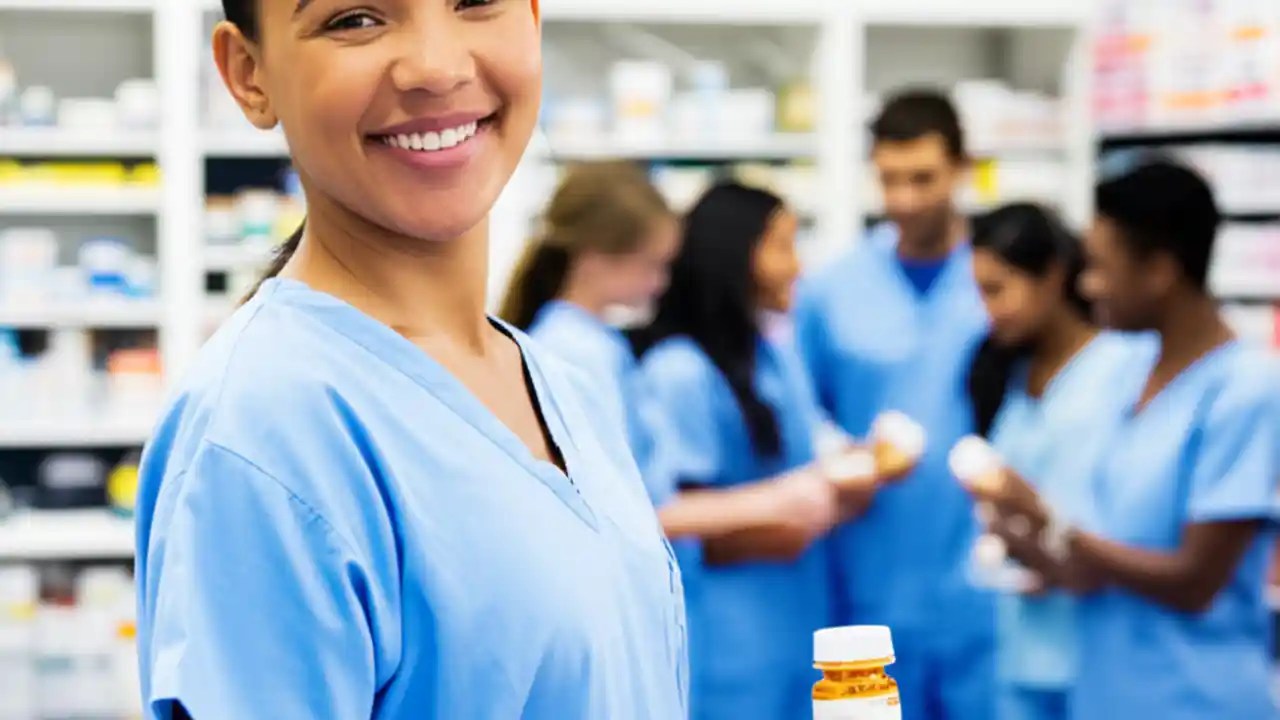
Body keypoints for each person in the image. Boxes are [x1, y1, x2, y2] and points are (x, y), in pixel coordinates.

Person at [133, 2, 688, 719]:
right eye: (356, 19)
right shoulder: (265, 432)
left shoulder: (563, 388)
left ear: (532, 18)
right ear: (249, 75)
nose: (437, 67)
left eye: (474, 1)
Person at [970, 159, 1280, 720]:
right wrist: (1022, 535)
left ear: (1160, 270)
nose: (1087, 287)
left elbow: (1194, 581)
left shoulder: (1245, 390)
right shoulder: (1124, 378)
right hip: (1104, 694)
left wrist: (1048, 518)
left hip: (1195, 699)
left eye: (1100, 267)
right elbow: (1095, 568)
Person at [641, 182, 878, 720]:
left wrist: (854, 476)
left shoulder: (774, 356)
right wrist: (794, 520)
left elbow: (809, 461)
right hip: (732, 644)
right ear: (736, 254)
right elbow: (684, 530)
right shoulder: (681, 371)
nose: (798, 266)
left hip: (798, 627)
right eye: (782, 246)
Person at [793, 89, 994, 720]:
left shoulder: (999, 283)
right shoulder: (833, 290)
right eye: (889, 180)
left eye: (923, 179)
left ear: (963, 169)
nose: (904, 200)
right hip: (870, 582)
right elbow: (807, 425)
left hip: (982, 588)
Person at [965, 204, 1153, 720]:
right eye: (979, 292)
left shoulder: (1125, 368)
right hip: (1020, 640)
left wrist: (1031, 507)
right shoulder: (1006, 372)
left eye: (999, 289)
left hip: (1098, 643)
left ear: (1052, 276)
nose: (989, 310)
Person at [498, 160, 678, 499]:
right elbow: (608, 499)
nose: (660, 283)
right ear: (596, 256)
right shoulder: (575, 352)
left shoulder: (592, 340)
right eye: (652, 264)